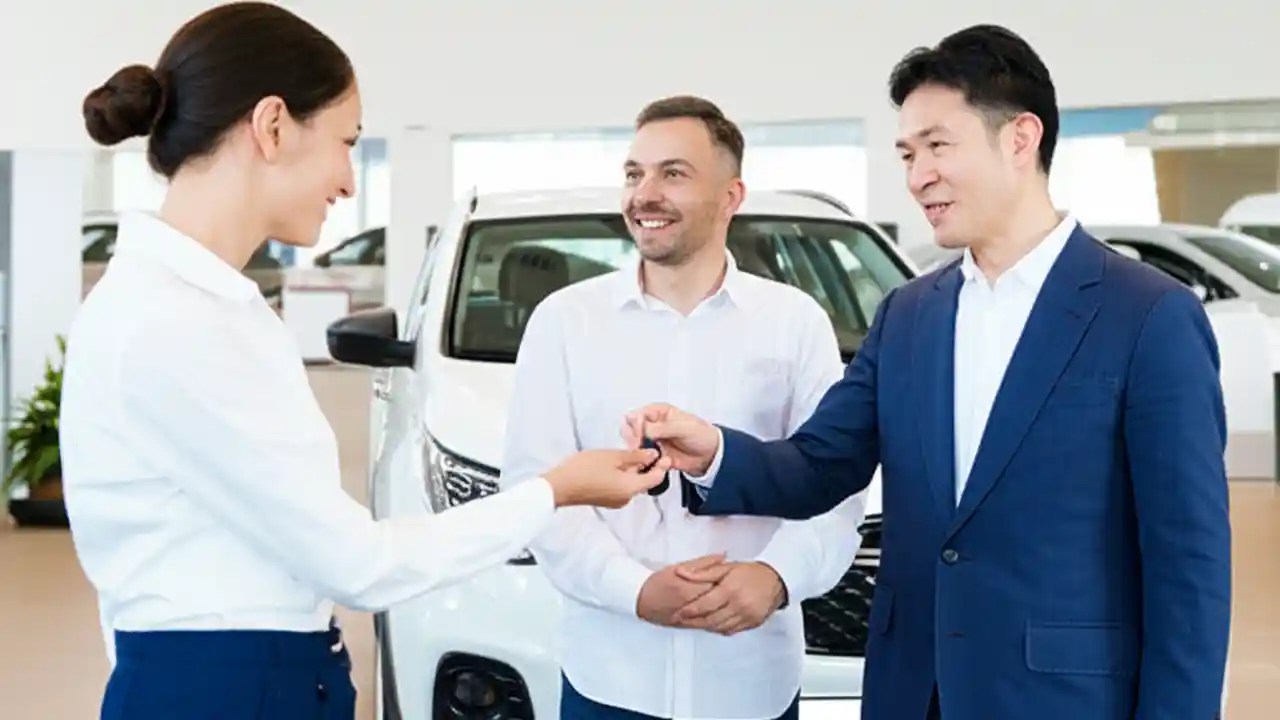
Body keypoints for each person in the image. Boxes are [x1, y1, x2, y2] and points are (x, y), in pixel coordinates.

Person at [59, 4, 666, 720]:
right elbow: (358, 565)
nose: (349, 180)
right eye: (346, 141)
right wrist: (553, 493)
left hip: (248, 678)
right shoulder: (171, 321)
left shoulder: (205, 306)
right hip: (228, 689)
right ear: (273, 125)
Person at [623, 25, 1232, 720]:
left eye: (939, 146)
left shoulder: (1149, 316)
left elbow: (1190, 571)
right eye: (908, 154)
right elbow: (822, 462)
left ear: (1020, 138)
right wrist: (716, 454)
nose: (918, 176)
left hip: (1062, 699)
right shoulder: (911, 314)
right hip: (913, 692)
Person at [499, 95, 868, 720]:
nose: (646, 194)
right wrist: (637, 590)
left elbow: (836, 489)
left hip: (751, 678)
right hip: (610, 674)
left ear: (731, 196)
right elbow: (537, 491)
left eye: (673, 173)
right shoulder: (565, 322)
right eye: (634, 173)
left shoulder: (794, 323)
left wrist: (775, 579)